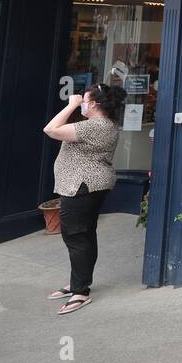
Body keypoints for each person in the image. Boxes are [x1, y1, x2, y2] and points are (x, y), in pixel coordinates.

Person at [42, 83, 125, 315]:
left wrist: (71, 105)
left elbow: (50, 129)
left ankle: (80, 291)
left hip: (82, 187)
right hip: (85, 186)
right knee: (84, 235)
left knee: (75, 236)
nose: (82, 103)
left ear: (95, 104)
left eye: (85, 100)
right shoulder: (101, 125)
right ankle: (79, 282)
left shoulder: (96, 126)